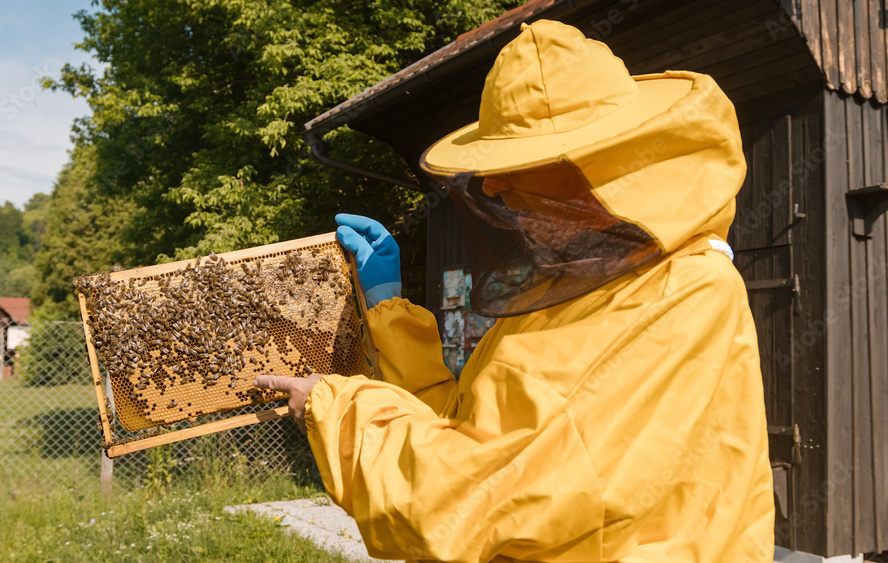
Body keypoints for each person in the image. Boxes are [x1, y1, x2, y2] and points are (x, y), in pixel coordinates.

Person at [255, 20, 774, 562]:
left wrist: (336, 408)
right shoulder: (564, 287)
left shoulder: (684, 296)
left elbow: (473, 502)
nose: (499, 191)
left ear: (601, 167)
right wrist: (388, 308)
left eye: (522, 169)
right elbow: (462, 427)